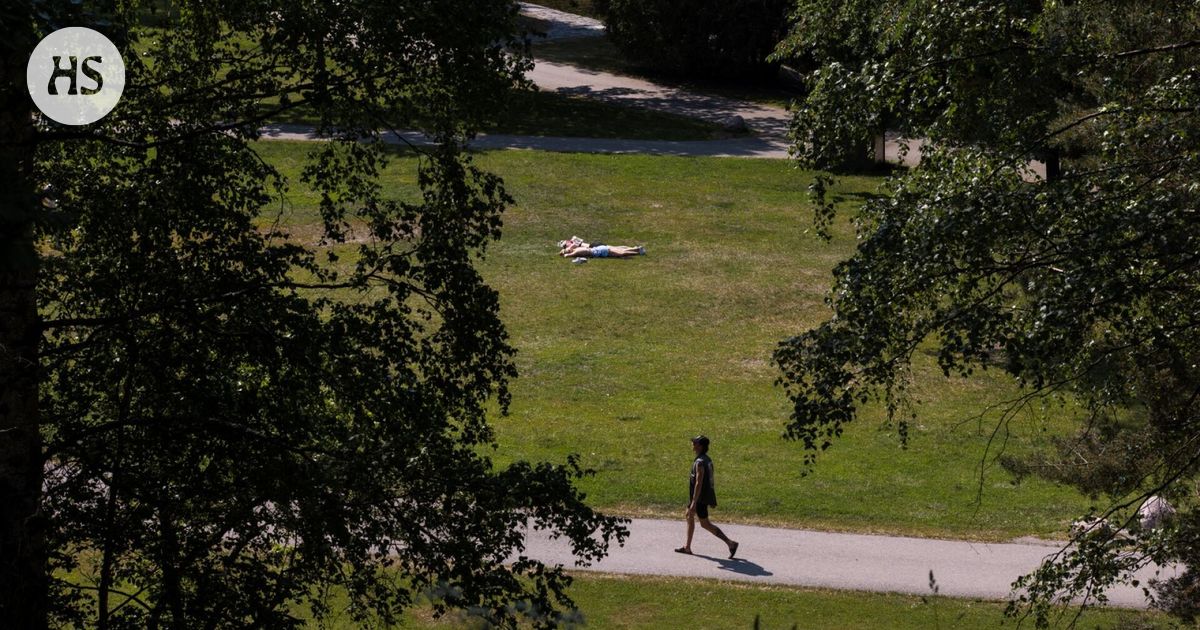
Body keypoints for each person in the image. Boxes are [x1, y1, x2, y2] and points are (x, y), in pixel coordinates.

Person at [675, 435, 738, 558]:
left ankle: (730, 543)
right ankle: (687, 546)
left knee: (703, 523)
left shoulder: (700, 463)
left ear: (700, 446)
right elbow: (710, 481)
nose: (693, 444)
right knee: (691, 517)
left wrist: (694, 502)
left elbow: (699, 482)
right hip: (702, 498)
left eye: (695, 443)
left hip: (699, 499)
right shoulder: (707, 460)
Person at [558, 237, 645, 259]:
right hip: (598, 247)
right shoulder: (575, 247)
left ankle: (638, 252)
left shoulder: (575, 250)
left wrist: (565, 253)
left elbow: (568, 255)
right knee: (619, 248)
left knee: (621, 253)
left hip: (598, 249)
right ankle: (636, 249)